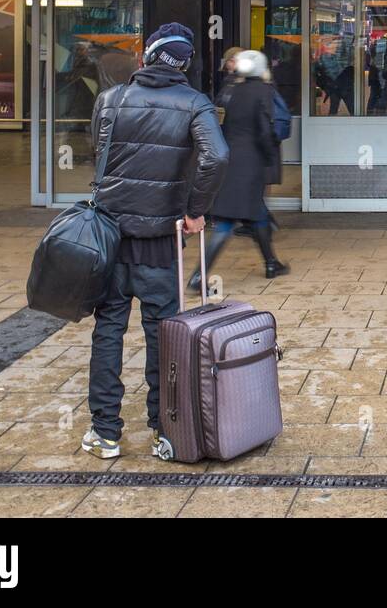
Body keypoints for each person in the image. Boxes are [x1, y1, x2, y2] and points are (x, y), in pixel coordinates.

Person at [83, 23, 229, 460]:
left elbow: (99, 154)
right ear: (183, 64)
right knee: (161, 336)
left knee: (108, 330)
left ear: (148, 56)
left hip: (110, 236)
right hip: (160, 240)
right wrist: (195, 210)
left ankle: (105, 432)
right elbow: (217, 156)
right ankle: (163, 430)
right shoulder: (194, 104)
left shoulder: (111, 99)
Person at [189, 49, 290, 291]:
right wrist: (268, 155)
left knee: (256, 214)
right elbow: (265, 128)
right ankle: (198, 276)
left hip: (230, 158)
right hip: (251, 161)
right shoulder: (263, 91)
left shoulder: (230, 91)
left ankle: (271, 263)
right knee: (228, 222)